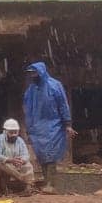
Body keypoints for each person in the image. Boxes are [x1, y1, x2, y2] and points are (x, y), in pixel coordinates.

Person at [23, 62, 75, 195]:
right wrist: (29, 127)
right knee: (41, 156)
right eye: (30, 73)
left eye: (34, 73)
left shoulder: (55, 85)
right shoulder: (31, 89)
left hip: (53, 124)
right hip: (37, 127)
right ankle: (47, 182)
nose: (32, 76)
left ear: (41, 72)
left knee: (51, 154)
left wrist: (67, 123)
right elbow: (28, 109)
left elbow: (63, 105)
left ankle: (51, 184)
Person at [0, 119, 35, 195]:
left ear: (18, 132)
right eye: (11, 132)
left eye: (15, 132)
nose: (13, 135)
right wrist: (9, 160)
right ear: (5, 132)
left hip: (13, 165)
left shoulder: (20, 141)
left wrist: (21, 161)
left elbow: (26, 155)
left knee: (28, 165)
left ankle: (28, 188)